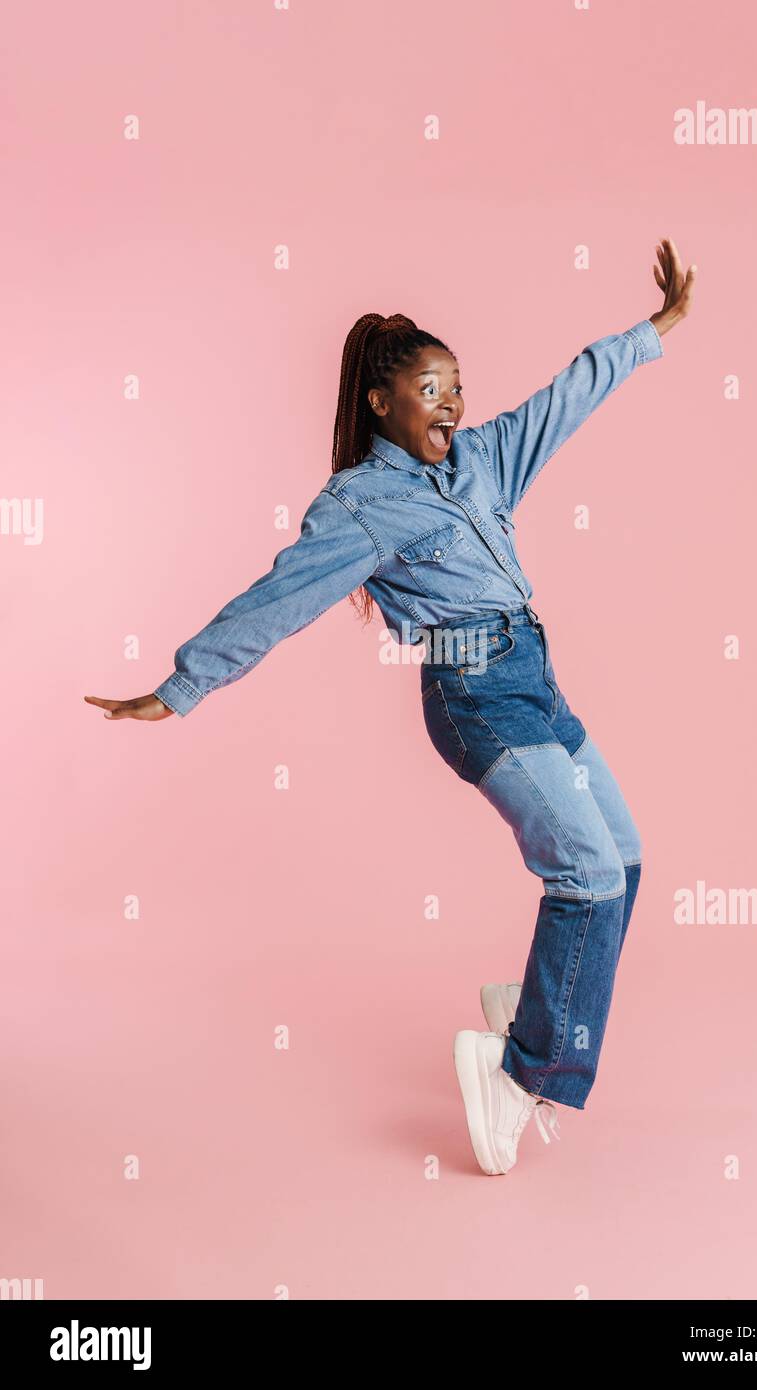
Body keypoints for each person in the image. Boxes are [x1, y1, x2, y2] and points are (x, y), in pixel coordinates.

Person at [86, 238, 696, 1176]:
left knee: (620, 854)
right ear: (382, 403)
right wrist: (180, 686)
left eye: (455, 385)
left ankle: (528, 1002)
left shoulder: (485, 456)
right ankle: (518, 1071)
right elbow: (276, 598)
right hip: (473, 694)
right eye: (430, 388)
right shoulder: (360, 504)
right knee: (585, 874)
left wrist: (653, 328)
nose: (451, 402)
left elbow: (569, 392)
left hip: (534, 677)